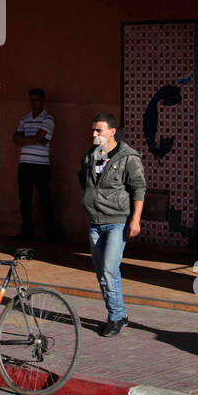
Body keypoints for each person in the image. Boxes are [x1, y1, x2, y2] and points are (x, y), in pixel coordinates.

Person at [79, 113, 145, 337]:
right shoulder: (92, 155)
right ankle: (117, 314)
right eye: (93, 129)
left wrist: (135, 220)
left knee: (109, 270)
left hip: (117, 222)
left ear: (112, 132)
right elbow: (84, 180)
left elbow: (139, 188)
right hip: (95, 221)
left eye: (99, 130)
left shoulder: (128, 157)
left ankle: (117, 316)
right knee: (102, 273)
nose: (94, 134)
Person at [13, 87, 61, 241]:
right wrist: (36, 139)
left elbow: (38, 137)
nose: (33, 103)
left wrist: (28, 139)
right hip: (25, 163)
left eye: (36, 100)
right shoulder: (25, 118)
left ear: (42, 100)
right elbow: (16, 139)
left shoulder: (48, 118)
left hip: (41, 165)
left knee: (44, 199)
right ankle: (26, 231)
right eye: (31, 100)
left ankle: (51, 233)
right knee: (24, 200)